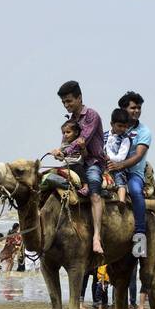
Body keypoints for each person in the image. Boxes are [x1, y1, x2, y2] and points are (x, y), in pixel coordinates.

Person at [51, 81, 106, 255]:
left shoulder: (92, 116)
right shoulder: (70, 121)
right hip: (74, 163)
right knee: (50, 181)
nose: (66, 105)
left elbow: (82, 140)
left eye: (69, 101)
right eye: (63, 103)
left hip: (93, 163)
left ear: (79, 98)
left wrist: (63, 150)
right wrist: (59, 153)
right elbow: (67, 143)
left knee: (95, 193)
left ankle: (96, 236)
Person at [110, 90, 152, 257]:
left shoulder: (144, 131)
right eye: (133, 107)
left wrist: (119, 165)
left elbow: (138, 155)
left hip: (133, 173)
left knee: (135, 191)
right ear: (123, 108)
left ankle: (139, 235)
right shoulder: (116, 127)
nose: (136, 111)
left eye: (139, 108)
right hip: (112, 170)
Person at [43, 119, 86, 192]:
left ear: (76, 132)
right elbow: (61, 158)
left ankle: (85, 185)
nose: (65, 134)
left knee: (79, 169)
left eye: (68, 132)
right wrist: (56, 154)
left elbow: (85, 155)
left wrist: (83, 147)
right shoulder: (64, 145)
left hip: (76, 164)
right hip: (66, 166)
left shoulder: (79, 142)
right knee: (57, 171)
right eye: (64, 133)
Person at [103, 108, 133, 203]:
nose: (122, 129)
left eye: (125, 126)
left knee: (120, 179)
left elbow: (121, 157)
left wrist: (109, 158)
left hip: (118, 166)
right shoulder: (103, 135)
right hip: (103, 164)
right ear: (112, 124)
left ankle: (121, 201)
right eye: (119, 126)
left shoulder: (125, 139)